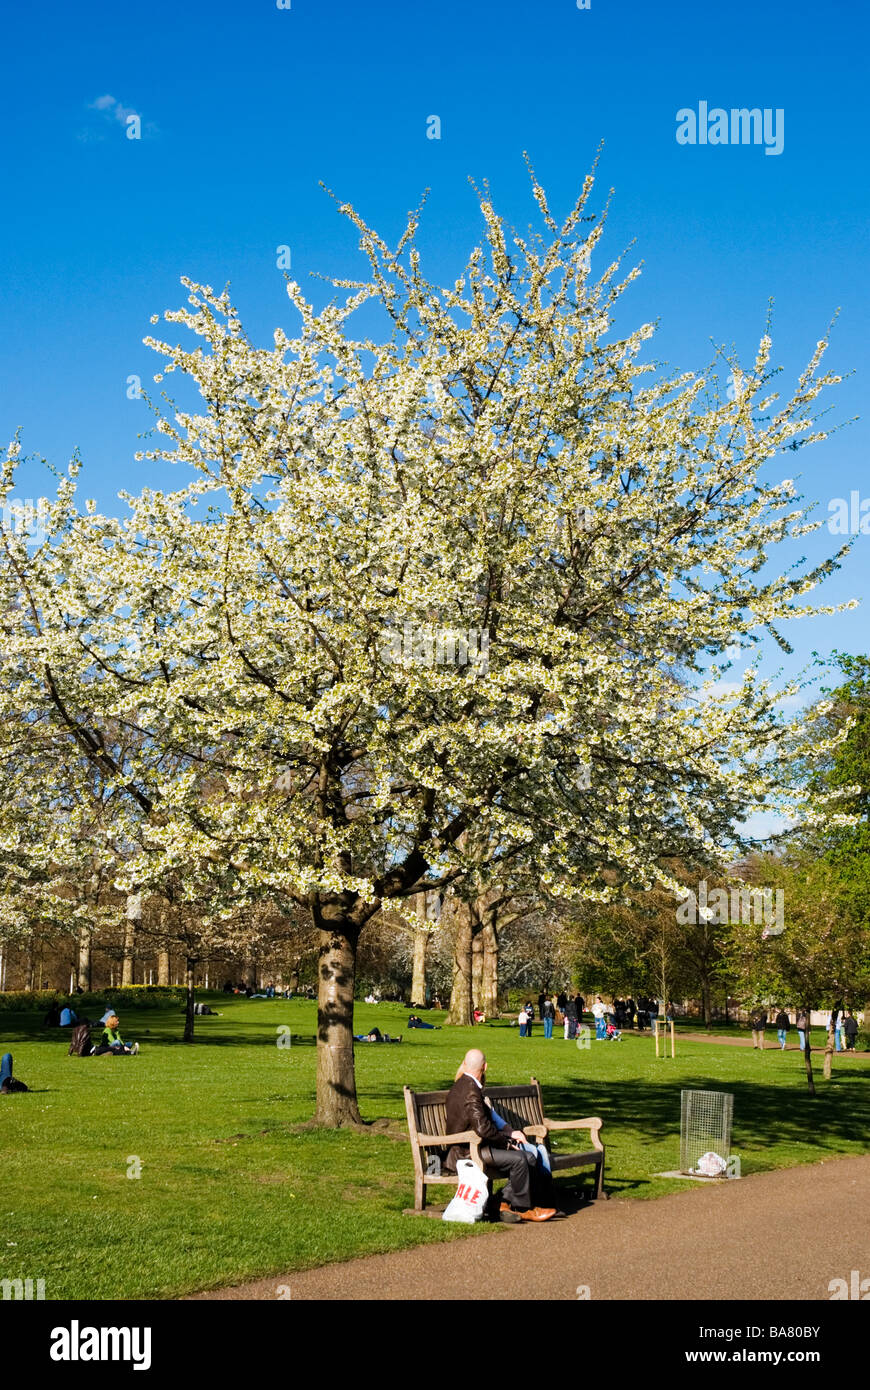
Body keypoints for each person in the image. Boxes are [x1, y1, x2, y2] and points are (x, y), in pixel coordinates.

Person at [445, 1049, 556, 1222]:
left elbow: (482, 1124)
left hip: (473, 1146)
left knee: (529, 1158)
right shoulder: (471, 1090)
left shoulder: (463, 1085)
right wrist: (506, 1143)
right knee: (520, 1159)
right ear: (485, 1067)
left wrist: (506, 1135)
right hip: (468, 1151)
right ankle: (522, 1208)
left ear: (465, 1064)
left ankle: (504, 1202)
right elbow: (482, 1128)